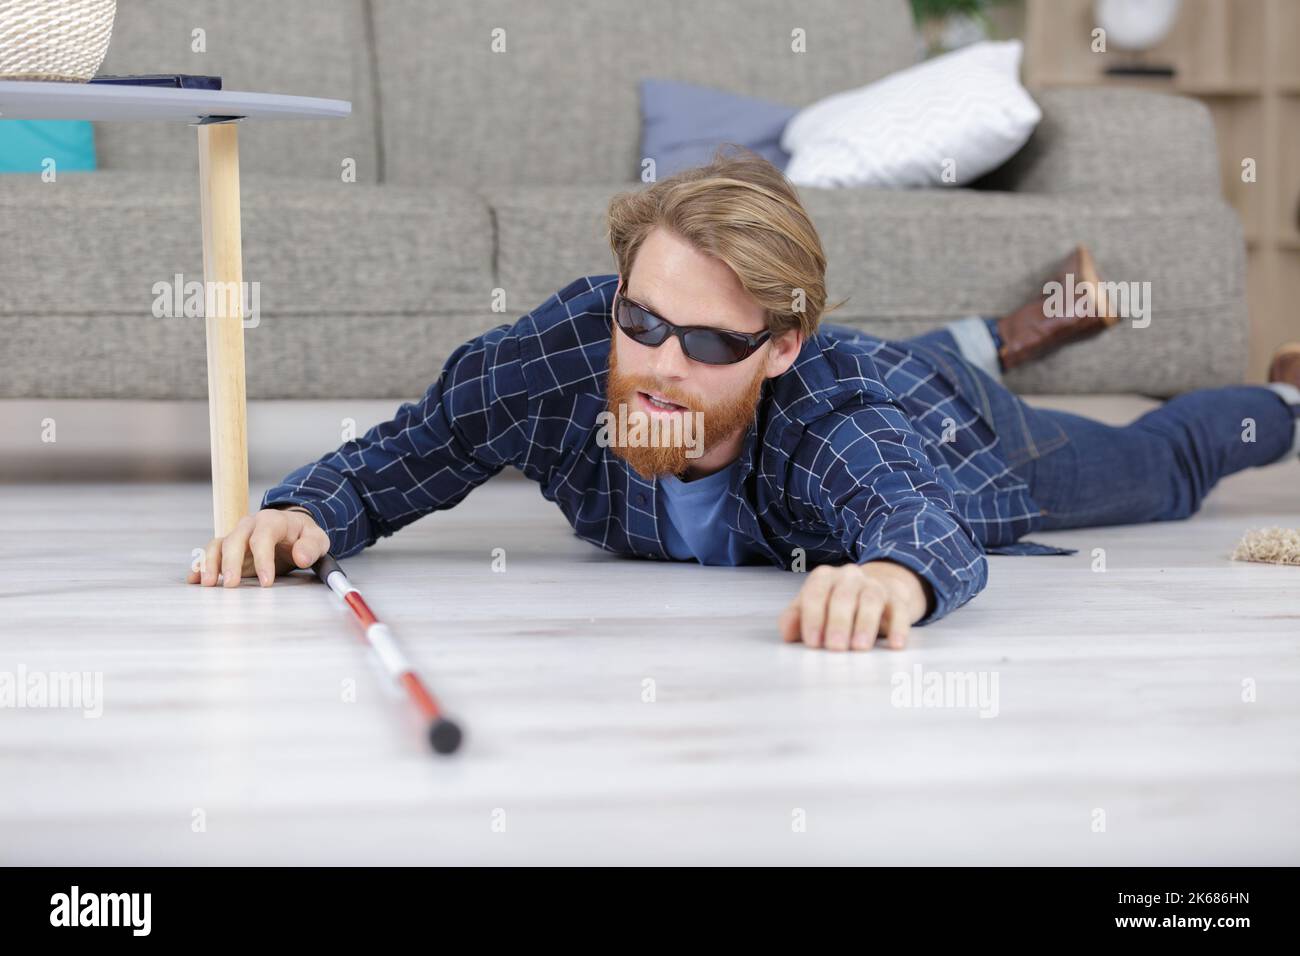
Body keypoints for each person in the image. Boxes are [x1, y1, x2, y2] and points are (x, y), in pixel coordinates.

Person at [186, 150, 1300, 653]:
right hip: (847, 366)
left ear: (776, 345)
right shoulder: (566, 352)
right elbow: (416, 445)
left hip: (955, 432)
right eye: (643, 321)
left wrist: (888, 579)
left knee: (1156, 472)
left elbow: (918, 517)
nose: (661, 363)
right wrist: (311, 508)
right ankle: (1001, 333)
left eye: (713, 340)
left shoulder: (834, 419)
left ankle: (1278, 395)